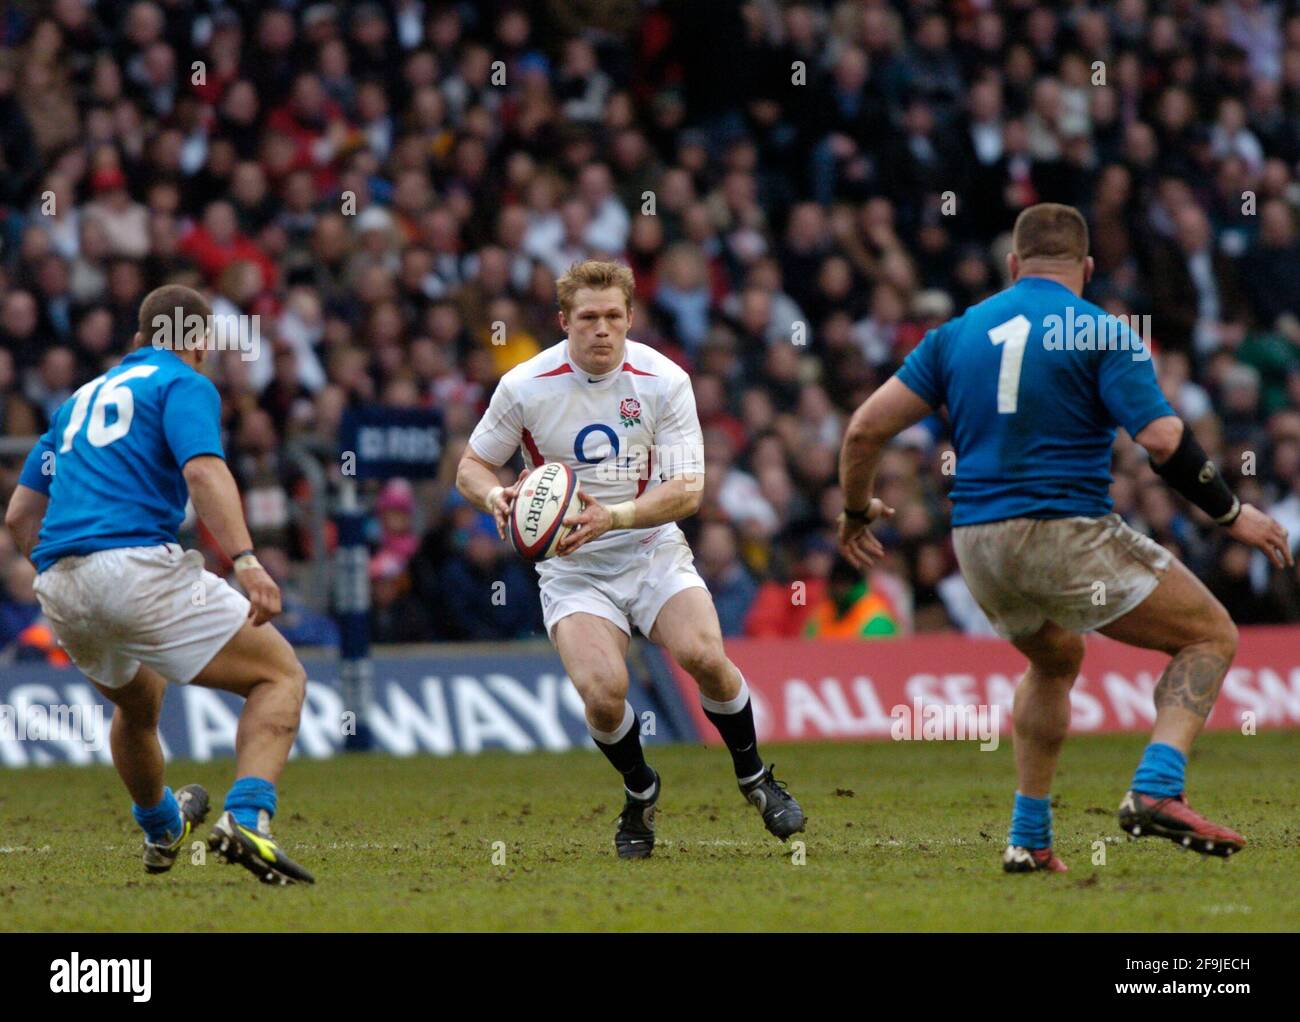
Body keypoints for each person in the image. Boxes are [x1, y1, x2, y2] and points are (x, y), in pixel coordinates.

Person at [836, 204, 1292, 873]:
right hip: (1063, 531)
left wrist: (854, 511)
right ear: (1085, 268)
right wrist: (1232, 516)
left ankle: (1028, 837)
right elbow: (1163, 440)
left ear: (1014, 266)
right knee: (1210, 635)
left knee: (1053, 661)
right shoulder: (1102, 331)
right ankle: (1157, 789)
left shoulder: (955, 334)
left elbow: (863, 431)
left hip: (978, 546)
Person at [456, 260, 804, 859]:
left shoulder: (664, 380)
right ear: (563, 321)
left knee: (705, 657)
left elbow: (689, 490)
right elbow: (471, 465)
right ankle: (640, 790)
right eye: (588, 318)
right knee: (603, 693)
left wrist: (612, 517)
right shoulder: (524, 385)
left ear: (631, 318)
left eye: (613, 316)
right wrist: (497, 496)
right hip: (571, 568)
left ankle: (755, 778)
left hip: (650, 548)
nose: (602, 329)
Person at [3, 284, 314, 885]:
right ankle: (248, 819)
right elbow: (202, 468)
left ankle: (163, 826)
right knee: (279, 676)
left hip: (61, 583)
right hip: (134, 565)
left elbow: (19, 514)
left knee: (138, 705)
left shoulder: (75, 402)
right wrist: (246, 560)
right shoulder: (184, 383)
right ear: (195, 340)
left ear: (139, 338)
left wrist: (61, 573)